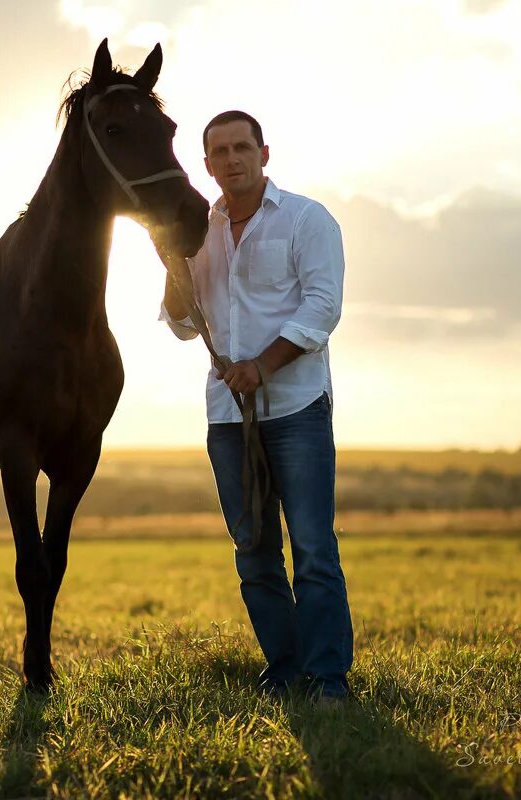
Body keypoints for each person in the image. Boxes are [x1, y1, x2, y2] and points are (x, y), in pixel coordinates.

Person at [160, 110, 352, 702]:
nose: (232, 159)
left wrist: (261, 366)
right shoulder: (197, 231)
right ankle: (285, 667)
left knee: (314, 547)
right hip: (227, 419)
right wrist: (172, 267)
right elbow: (184, 326)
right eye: (220, 152)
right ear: (207, 165)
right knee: (253, 551)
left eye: (242, 147)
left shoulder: (306, 218)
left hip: (296, 408)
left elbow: (323, 307)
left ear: (264, 154)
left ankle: (328, 677)